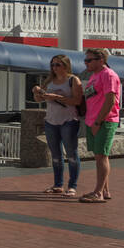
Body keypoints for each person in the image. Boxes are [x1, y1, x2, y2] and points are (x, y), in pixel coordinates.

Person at [31, 55, 82, 196]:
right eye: (53, 65)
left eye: (58, 65)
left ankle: (72, 186)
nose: (55, 68)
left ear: (66, 66)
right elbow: (39, 99)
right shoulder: (49, 80)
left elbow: (77, 101)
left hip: (69, 120)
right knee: (55, 155)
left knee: (71, 154)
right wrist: (36, 92)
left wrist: (57, 98)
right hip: (51, 121)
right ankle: (58, 184)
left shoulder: (73, 80)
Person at [80, 48, 121, 203]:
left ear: (101, 60)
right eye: (85, 60)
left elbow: (110, 100)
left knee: (101, 156)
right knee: (100, 156)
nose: (86, 63)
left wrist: (98, 121)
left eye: (89, 60)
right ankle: (105, 189)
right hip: (93, 120)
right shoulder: (94, 76)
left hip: (104, 121)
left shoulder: (109, 75)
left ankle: (98, 193)